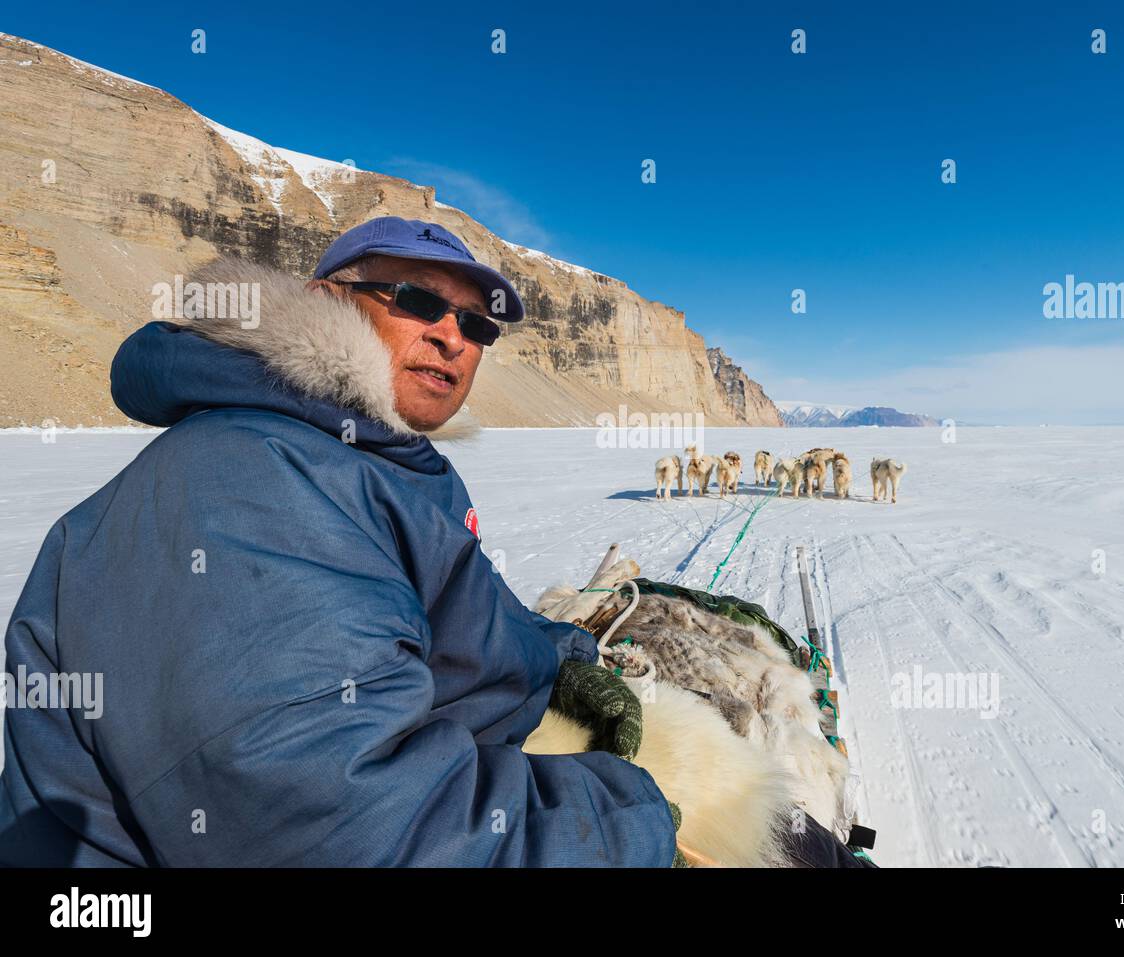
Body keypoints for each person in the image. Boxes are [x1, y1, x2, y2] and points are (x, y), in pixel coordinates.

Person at [0, 217, 676, 866]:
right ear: (328, 301)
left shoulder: (378, 463)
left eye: (475, 324)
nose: (453, 337)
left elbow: (453, 618)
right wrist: (632, 819)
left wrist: (557, 653)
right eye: (419, 300)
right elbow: (342, 826)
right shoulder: (250, 481)